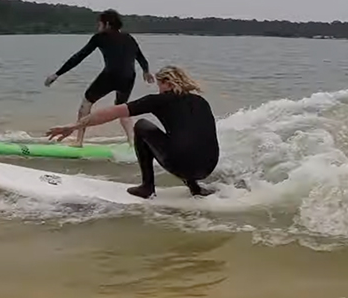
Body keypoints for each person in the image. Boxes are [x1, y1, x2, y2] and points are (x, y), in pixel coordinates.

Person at [46, 66, 219, 199]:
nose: (158, 89)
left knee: (142, 126)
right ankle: (195, 187)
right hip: (208, 166)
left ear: (167, 83)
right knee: (187, 140)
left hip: (182, 165)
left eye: (160, 84)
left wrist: (74, 127)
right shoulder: (201, 101)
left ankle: (147, 187)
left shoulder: (158, 100)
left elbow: (110, 113)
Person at [45, 9, 153, 146]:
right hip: (129, 77)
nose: (98, 27)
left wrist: (57, 74)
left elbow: (79, 56)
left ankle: (79, 141)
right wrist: (146, 70)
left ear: (107, 24)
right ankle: (132, 143)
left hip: (111, 75)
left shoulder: (100, 37)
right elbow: (140, 57)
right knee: (122, 108)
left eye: (100, 24)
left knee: (86, 103)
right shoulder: (129, 38)